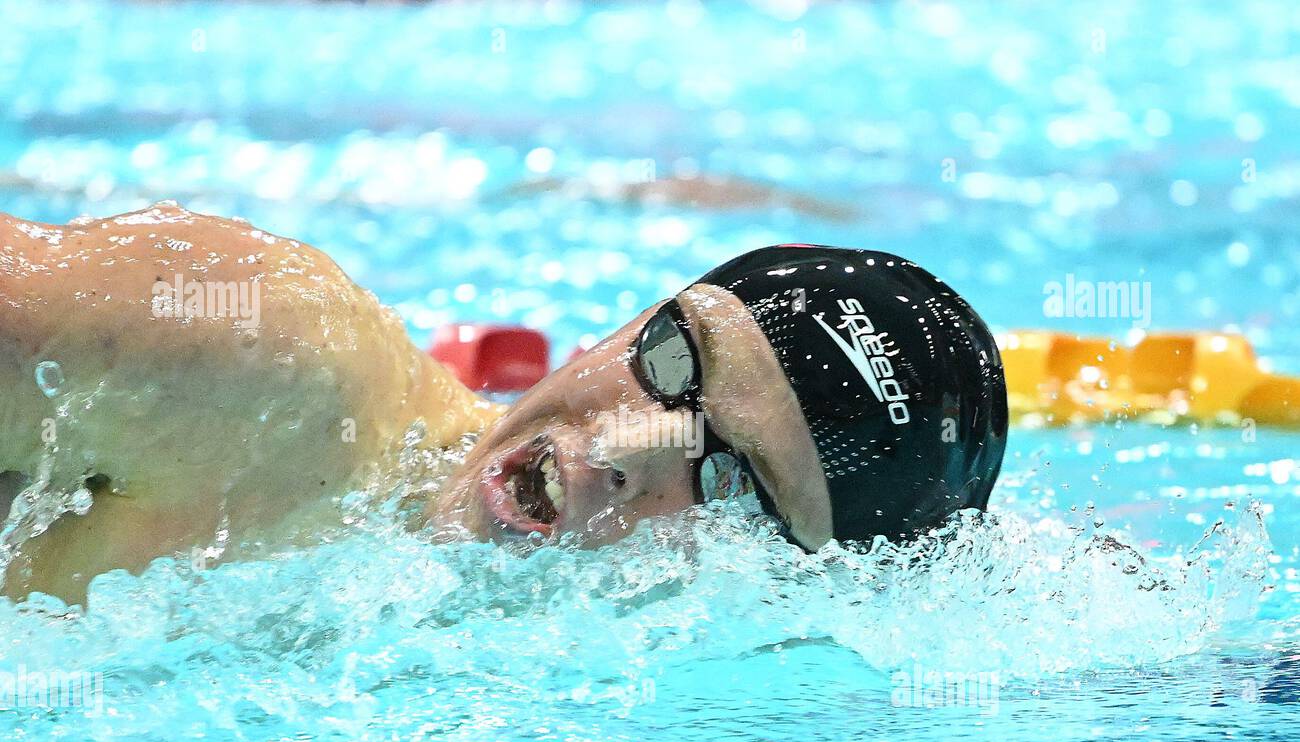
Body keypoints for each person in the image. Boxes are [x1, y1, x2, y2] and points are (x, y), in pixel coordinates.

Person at [0, 204, 1007, 603]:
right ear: (624, 322)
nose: (620, 447)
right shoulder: (267, 371)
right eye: (668, 358)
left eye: (734, 482)